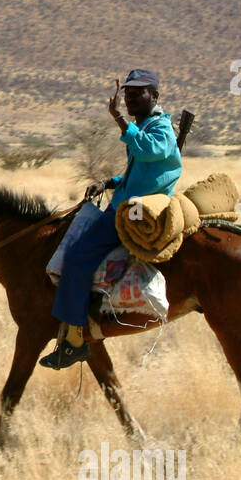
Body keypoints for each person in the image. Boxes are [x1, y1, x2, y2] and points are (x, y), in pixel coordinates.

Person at [39, 68, 182, 370]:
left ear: (154, 95)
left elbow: (146, 151)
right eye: (127, 93)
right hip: (123, 202)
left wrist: (117, 118)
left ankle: (75, 339)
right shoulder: (145, 126)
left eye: (137, 93)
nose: (129, 98)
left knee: (77, 257)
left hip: (130, 213)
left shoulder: (161, 130)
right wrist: (109, 182)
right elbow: (138, 172)